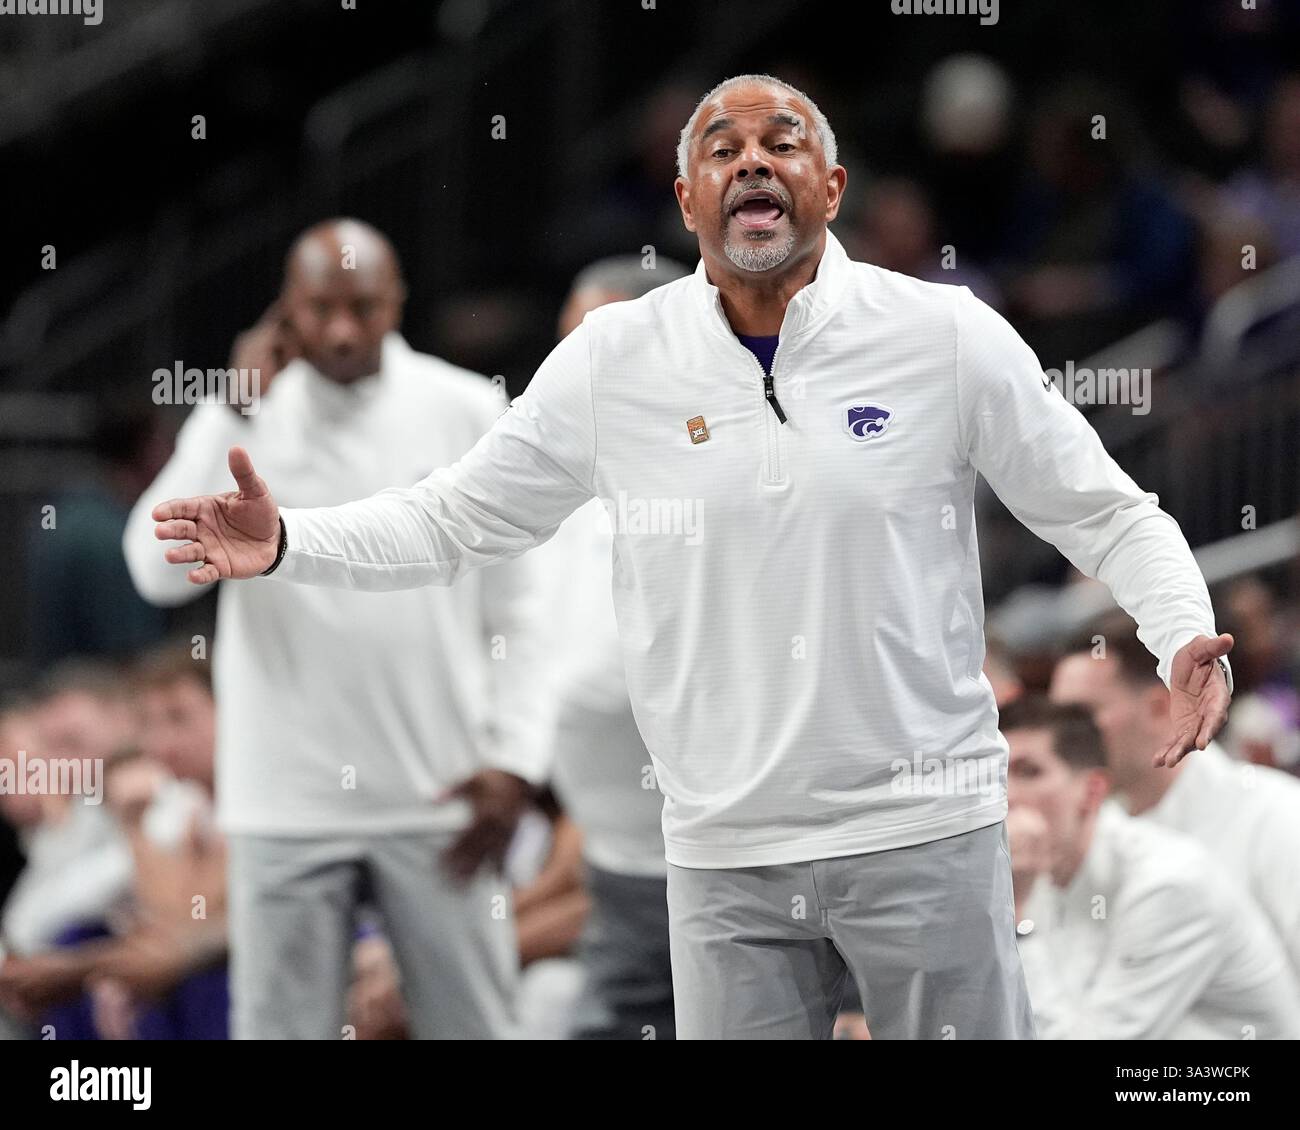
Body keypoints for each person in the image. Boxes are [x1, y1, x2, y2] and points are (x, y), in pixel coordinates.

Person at [148, 76, 1234, 1040]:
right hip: (722, 854)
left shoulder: (944, 335)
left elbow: (1105, 510)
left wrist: (1183, 625)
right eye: (719, 145)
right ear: (686, 201)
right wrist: (292, 539)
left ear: (831, 184)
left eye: (782, 140)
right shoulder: (613, 359)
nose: (751, 158)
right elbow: (450, 520)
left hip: (922, 825)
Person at [124, 219, 547, 1039]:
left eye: (364, 306)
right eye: (323, 309)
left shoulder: (465, 405)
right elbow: (149, 566)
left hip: (441, 789)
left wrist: (517, 759)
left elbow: (523, 604)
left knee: (479, 1028)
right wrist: (226, 412)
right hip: (283, 796)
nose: (344, 329)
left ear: (397, 303)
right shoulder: (245, 414)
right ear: (288, 311)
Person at [537, 255, 690, 1040]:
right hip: (617, 855)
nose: (568, 371)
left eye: (588, 346)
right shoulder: (557, 491)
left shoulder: (719, 465)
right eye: (563, 344)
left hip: (731, 854)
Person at [1002, 697, 1300, 1040]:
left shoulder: (1169, 884)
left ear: (1092, 790)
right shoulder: (1039, 876)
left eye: (1027, 772)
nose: (1005, 795)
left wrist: (1017, 915)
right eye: (996, 775)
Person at [1050, 623, 1300, 976]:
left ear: (1157, 707)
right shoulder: (1092, 844)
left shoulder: (1275, 815)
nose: (1064, 742)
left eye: (1082, 717)